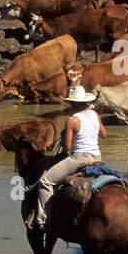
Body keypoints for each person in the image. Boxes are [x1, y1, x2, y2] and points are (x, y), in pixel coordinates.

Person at [28, 84, 106, 229]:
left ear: (72, 103)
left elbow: (67, 147)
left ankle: (43, 220)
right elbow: (104, 134)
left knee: (45, 181)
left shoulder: (72, 120)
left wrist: (65, 137)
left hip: (80, 158)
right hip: (97, 157)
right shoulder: (95, 115)